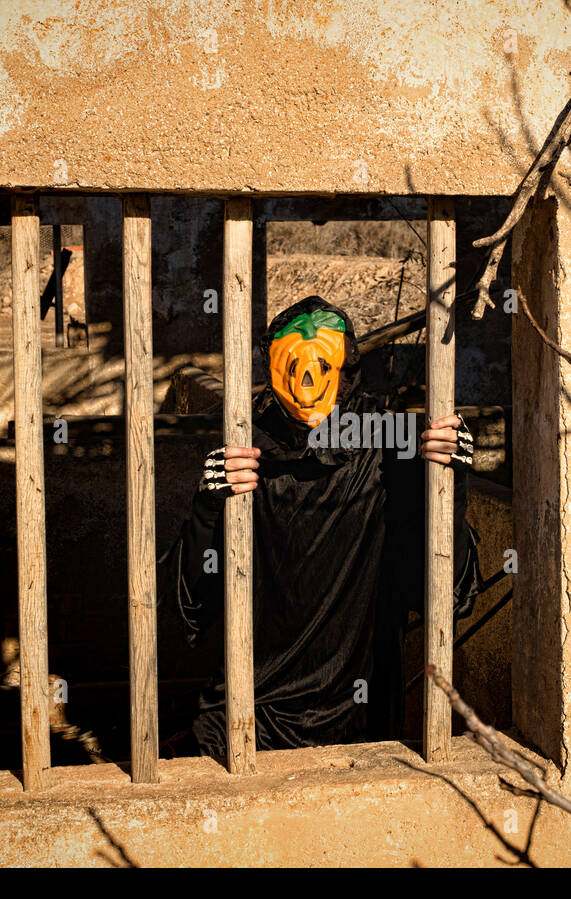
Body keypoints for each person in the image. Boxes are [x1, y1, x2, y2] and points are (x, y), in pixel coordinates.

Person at [162, 295, 482, 758]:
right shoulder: (247, 450)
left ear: (347, 370)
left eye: (323, 365)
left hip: (360, 722)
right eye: (293, 365)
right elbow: (191, 604)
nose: (307, 382)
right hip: (246, 717)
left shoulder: (391, 448)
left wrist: (450, 478)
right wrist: (209, 507)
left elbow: (446, 591)